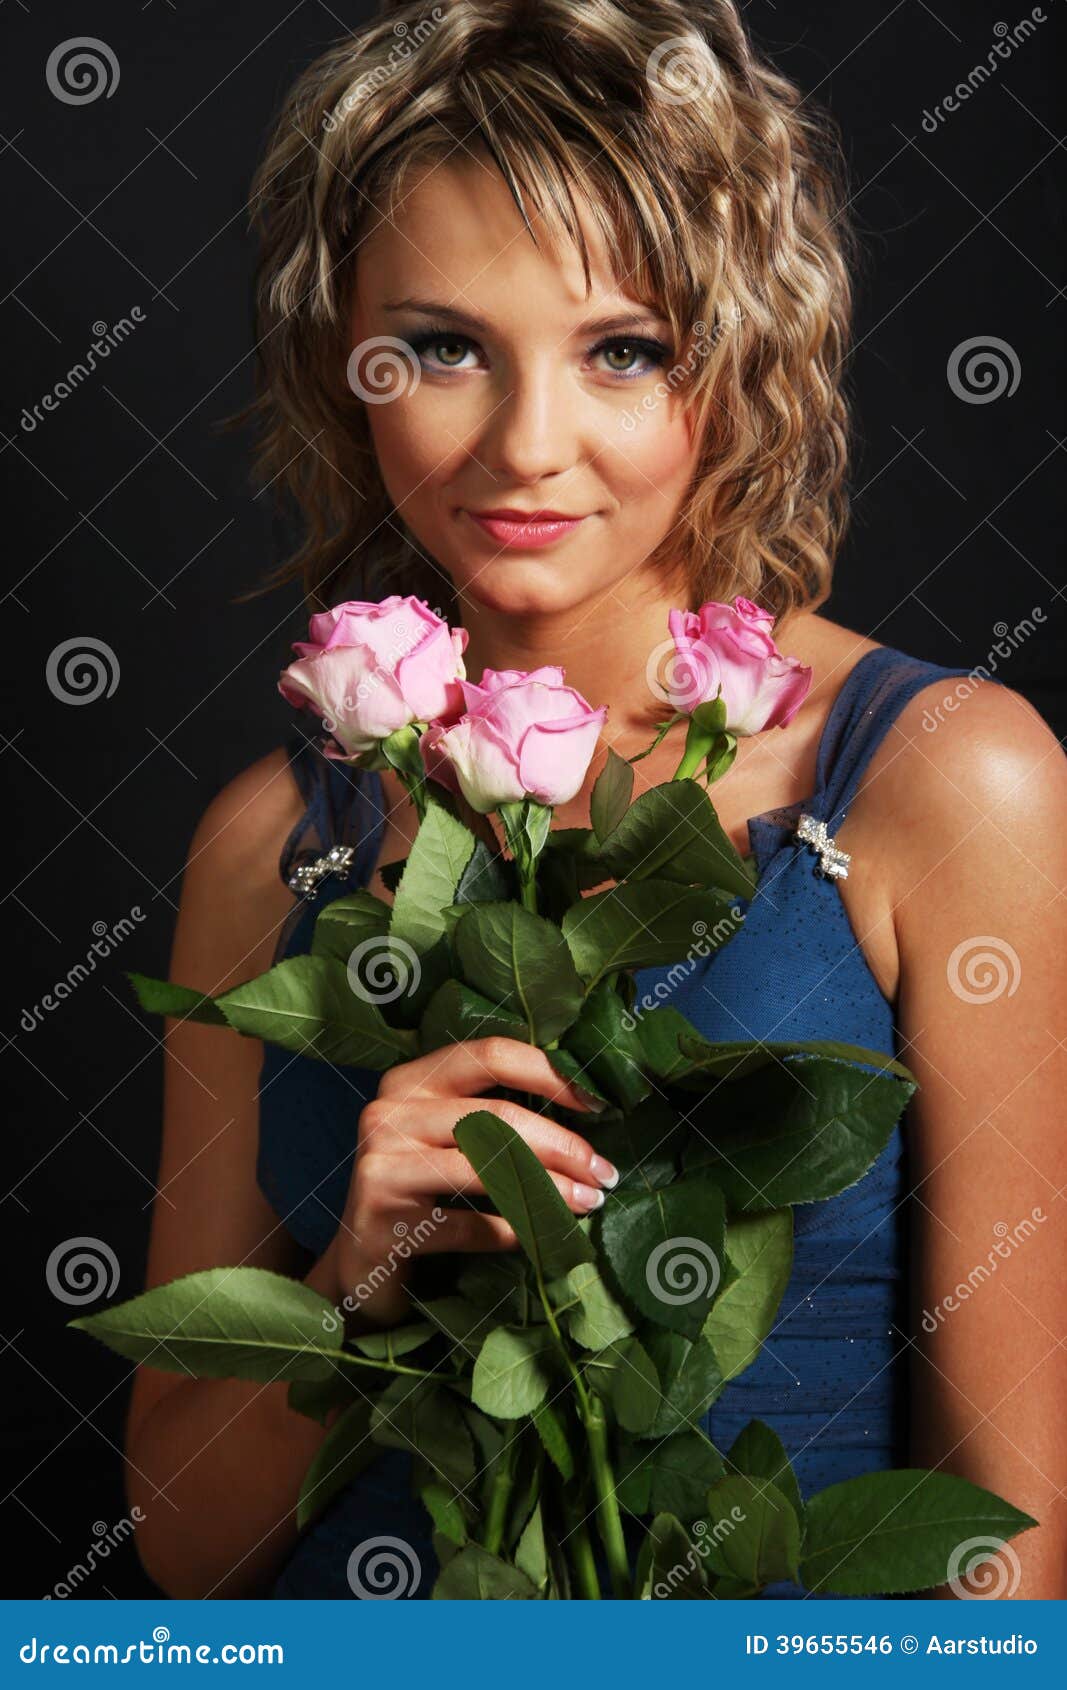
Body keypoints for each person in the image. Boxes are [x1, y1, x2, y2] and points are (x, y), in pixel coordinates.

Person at [123, 0, 1066, 1599]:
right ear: (341, 359)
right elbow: (185, 1546)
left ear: (744, 353)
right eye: (441, 347)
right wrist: (365, 1277)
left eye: (622, 349)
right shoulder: (268, 844)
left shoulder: (948, 779)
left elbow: (1014, 1550)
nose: (527, 444)